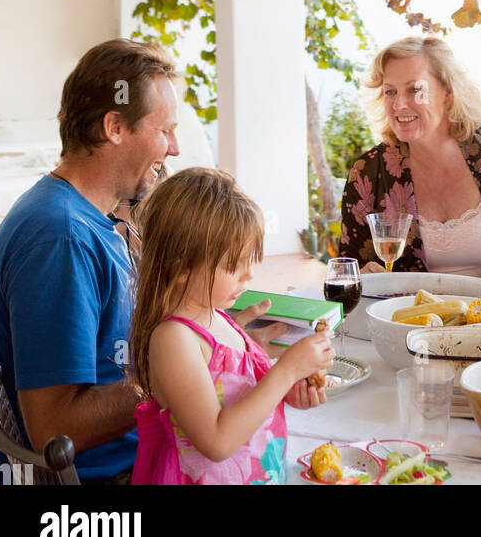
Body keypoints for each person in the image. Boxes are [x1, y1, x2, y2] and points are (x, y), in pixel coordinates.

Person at [0, 39, 283, 483]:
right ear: (115, 127)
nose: (176, 148)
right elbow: (52, 429)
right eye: (165, 130)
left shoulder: (90, 219)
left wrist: (212, 339)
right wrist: (185, 370)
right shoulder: (60, 236)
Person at [130, 168, 333, 485]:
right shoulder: (174, 339)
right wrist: (286, 372)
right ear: (181, 267)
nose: (248, 274)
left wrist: (288, 392)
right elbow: (216, 440)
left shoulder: (219, 318)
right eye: (232, 265)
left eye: (249, 260)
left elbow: (239, 397)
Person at [339, 35, 481, 307]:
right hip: (406, 340)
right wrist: (360, 280)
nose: (399, 105)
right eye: (390, 91)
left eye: (415, 90)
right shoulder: (369, 173)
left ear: (448, 93)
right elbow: (345, 274)